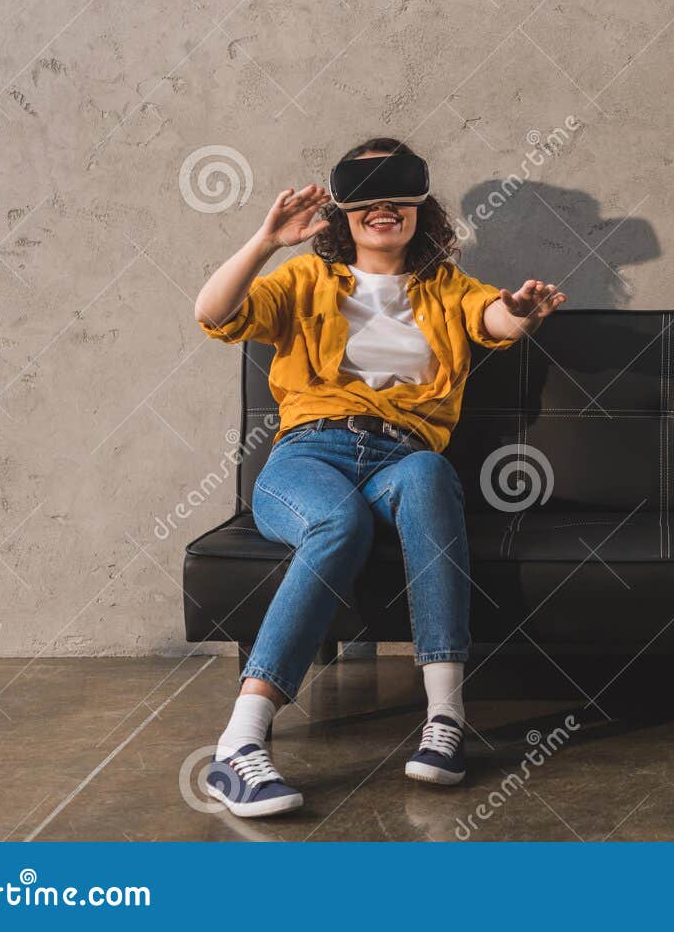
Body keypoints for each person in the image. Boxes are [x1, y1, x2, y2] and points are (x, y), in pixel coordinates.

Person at [193, 138, 565, 817]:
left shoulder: (446, 288)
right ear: (344, 213)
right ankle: (237, 747)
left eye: (400, 194)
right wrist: (267, 240)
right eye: (368, 197)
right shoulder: (306, 281)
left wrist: (521, 309)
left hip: (403, 456)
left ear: (423, 209)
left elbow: (495, 319)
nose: (385, 208)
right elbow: (214, 314)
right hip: (309, 456)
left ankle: (445, 720)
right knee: (340, 521)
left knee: (429, 472)